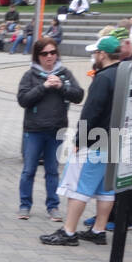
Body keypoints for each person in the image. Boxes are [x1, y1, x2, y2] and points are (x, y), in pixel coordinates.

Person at [41, 35, 122, 246]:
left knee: (78, 188)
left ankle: (68, 232)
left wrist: (79, 139)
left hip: (95, 141)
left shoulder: (103, 77)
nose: (94, 56)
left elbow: (91, 110)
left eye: (95, 53)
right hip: (115, 141)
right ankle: (98, 230)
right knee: (106, 190)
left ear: (102, 54)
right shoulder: (126, 72)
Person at [16, 36, 83, 221]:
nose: (49, 57)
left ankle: (53, 207)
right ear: (37, 56)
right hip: (34, 130)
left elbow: (79, 95)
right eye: (44, 53)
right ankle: (24, 205)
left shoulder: (65, 73)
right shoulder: (30, 76)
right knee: (29, 170)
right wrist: (44, 87)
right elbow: (23, 100)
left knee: (52, 171)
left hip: (57, 130)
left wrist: (61, 87)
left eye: (52, 52)